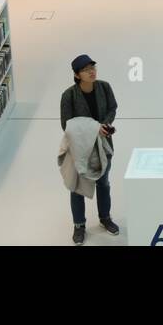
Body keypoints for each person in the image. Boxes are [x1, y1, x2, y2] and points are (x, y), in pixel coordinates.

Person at [60, 54, 119, 244]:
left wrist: (105, 125)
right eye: (86, 70)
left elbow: (112, 108)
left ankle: (105, 217)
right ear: (77, 75)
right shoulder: (68, 96)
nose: (91, 72)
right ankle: (79, 225)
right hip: (80, 148)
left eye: (93, 67)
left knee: (103, 183)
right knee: (77, 186)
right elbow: (66, 124)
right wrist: (94, 128)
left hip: (103, 145)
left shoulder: (104, 87)